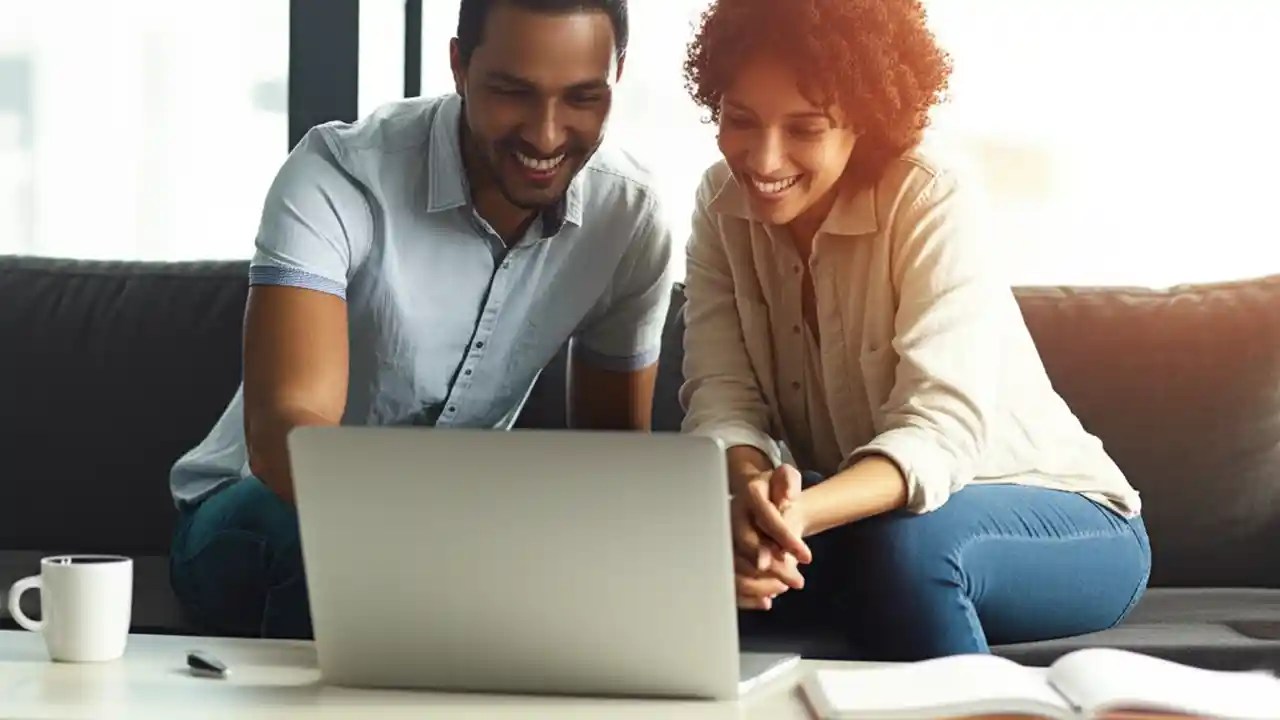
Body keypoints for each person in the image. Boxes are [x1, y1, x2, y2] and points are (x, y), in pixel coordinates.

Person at [169, 0, 672, 640]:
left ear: (617, 74)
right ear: (459, 65)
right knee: (326, 538)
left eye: (582, 97)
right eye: (512, 92)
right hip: (256, 517)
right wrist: (472, 536)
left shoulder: (628, 216)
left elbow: (613, 466)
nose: (546, 135)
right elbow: (288, 441)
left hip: (456, 551)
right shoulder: (338, 175)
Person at [678, 0, 1151, 661]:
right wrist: (755, 495)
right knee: (695, 557)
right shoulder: (717, 204)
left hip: (1072, 523)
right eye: (740, 120)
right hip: (866, 517)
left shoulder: (930, 196)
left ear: (864, 125)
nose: (763, 156)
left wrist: (797, 516)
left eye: (806, 128)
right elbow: (722, 398)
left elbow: (940, 431)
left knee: (904, 551)